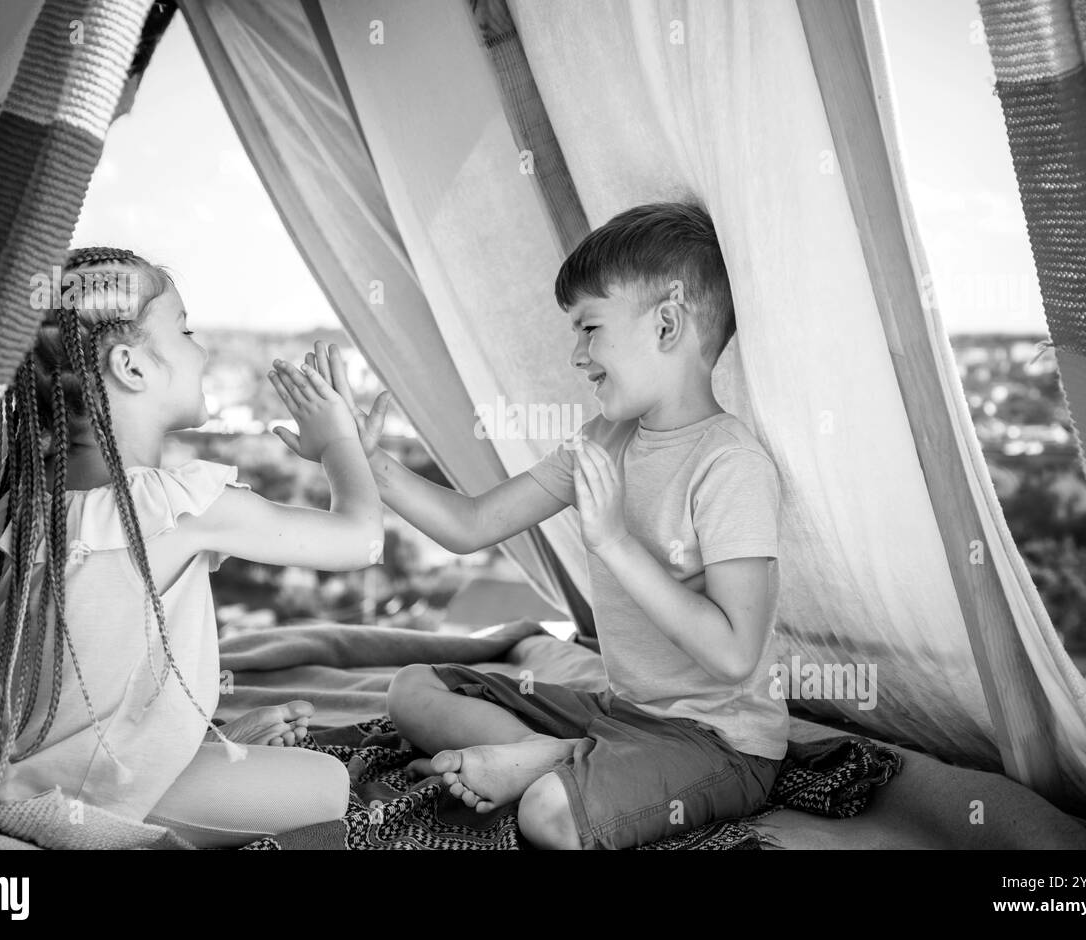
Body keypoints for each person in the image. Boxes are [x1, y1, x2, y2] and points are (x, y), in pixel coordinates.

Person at [0, 247, 381, 848]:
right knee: (329, 784)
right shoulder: (177, 506)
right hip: (87, 801)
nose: (203, 348)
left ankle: (195, 752)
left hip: (5, 776)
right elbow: (362, 540)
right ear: (131, 367)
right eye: (185, 328)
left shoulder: (25, 509)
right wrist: (339, 443)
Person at [327, 202, 788, 849]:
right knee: (413, 688)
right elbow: (469, 524)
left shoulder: (730, 463)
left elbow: (736, 655)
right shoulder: (601, 440)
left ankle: (549, 769)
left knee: (548, 816)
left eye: (589, 327)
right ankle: (544, 753)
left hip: (719, 742)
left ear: (666, 323)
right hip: (619, 715)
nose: (577, 355)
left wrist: (616, 543)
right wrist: (363, 457)